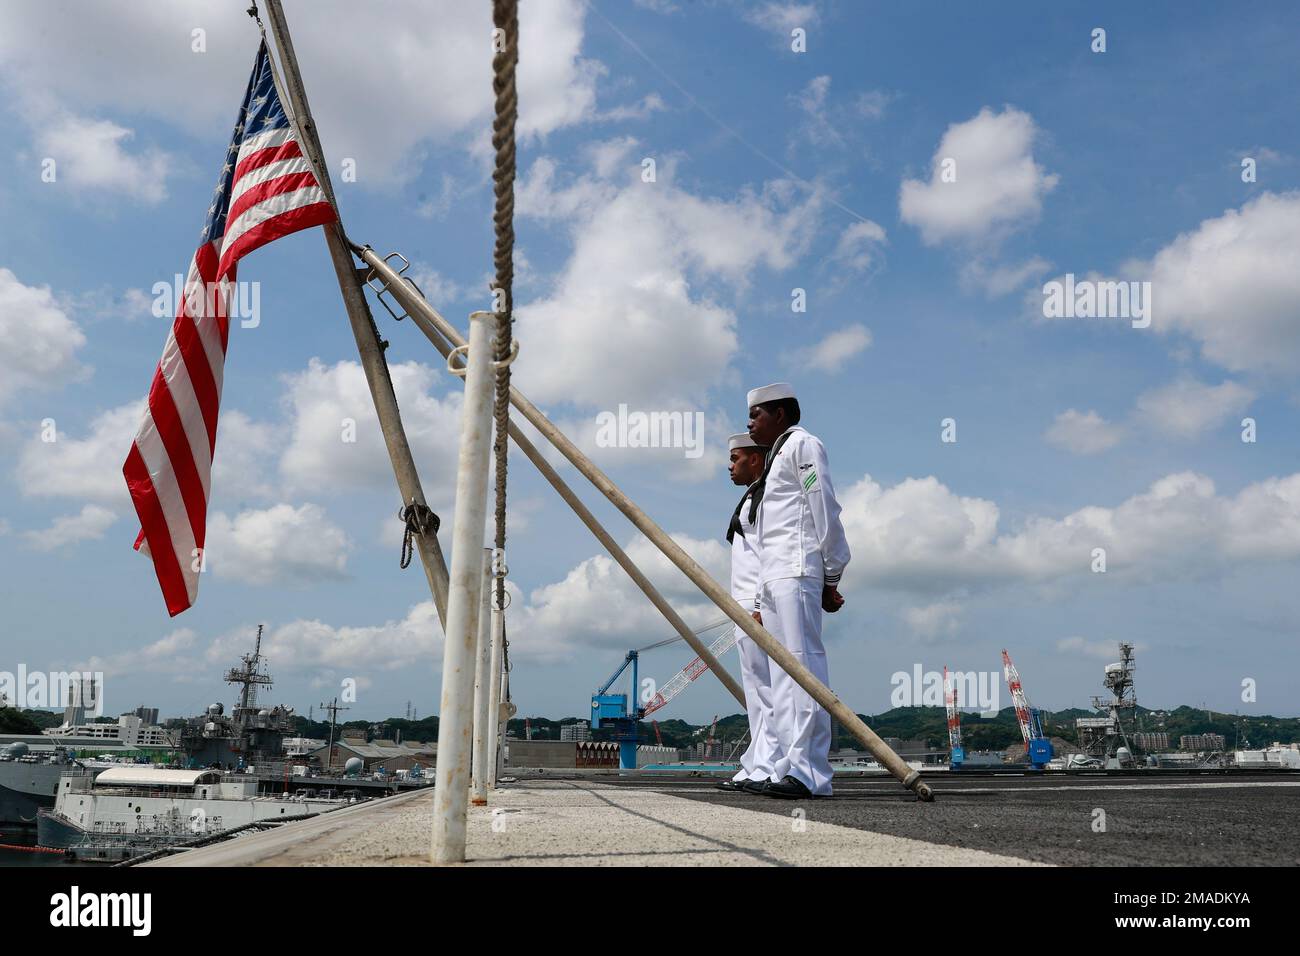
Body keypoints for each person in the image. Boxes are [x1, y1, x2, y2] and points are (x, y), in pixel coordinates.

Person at [746, 383, 850, 799]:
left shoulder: (803, 445)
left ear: (781, 414)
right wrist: (758, 597)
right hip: (774, 576)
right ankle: (786, 767)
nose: (751, 423)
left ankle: (809, 772)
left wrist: (832, 572)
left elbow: (823, 504)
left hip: (797, 569)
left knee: (803, 669)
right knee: (782, 677)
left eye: (757, 414)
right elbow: (767, 536)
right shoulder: (775, 459)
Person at [716, 432, 783, 794]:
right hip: (740, 603)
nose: (730, 465)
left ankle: (770, 763)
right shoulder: (751, 496)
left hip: (756, 604)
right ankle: (758, 760)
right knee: (755, 689)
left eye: (736, 458)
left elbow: (766, 556)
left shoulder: (768, 497)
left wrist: (758, 606)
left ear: (755, 459)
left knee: (767, 687)